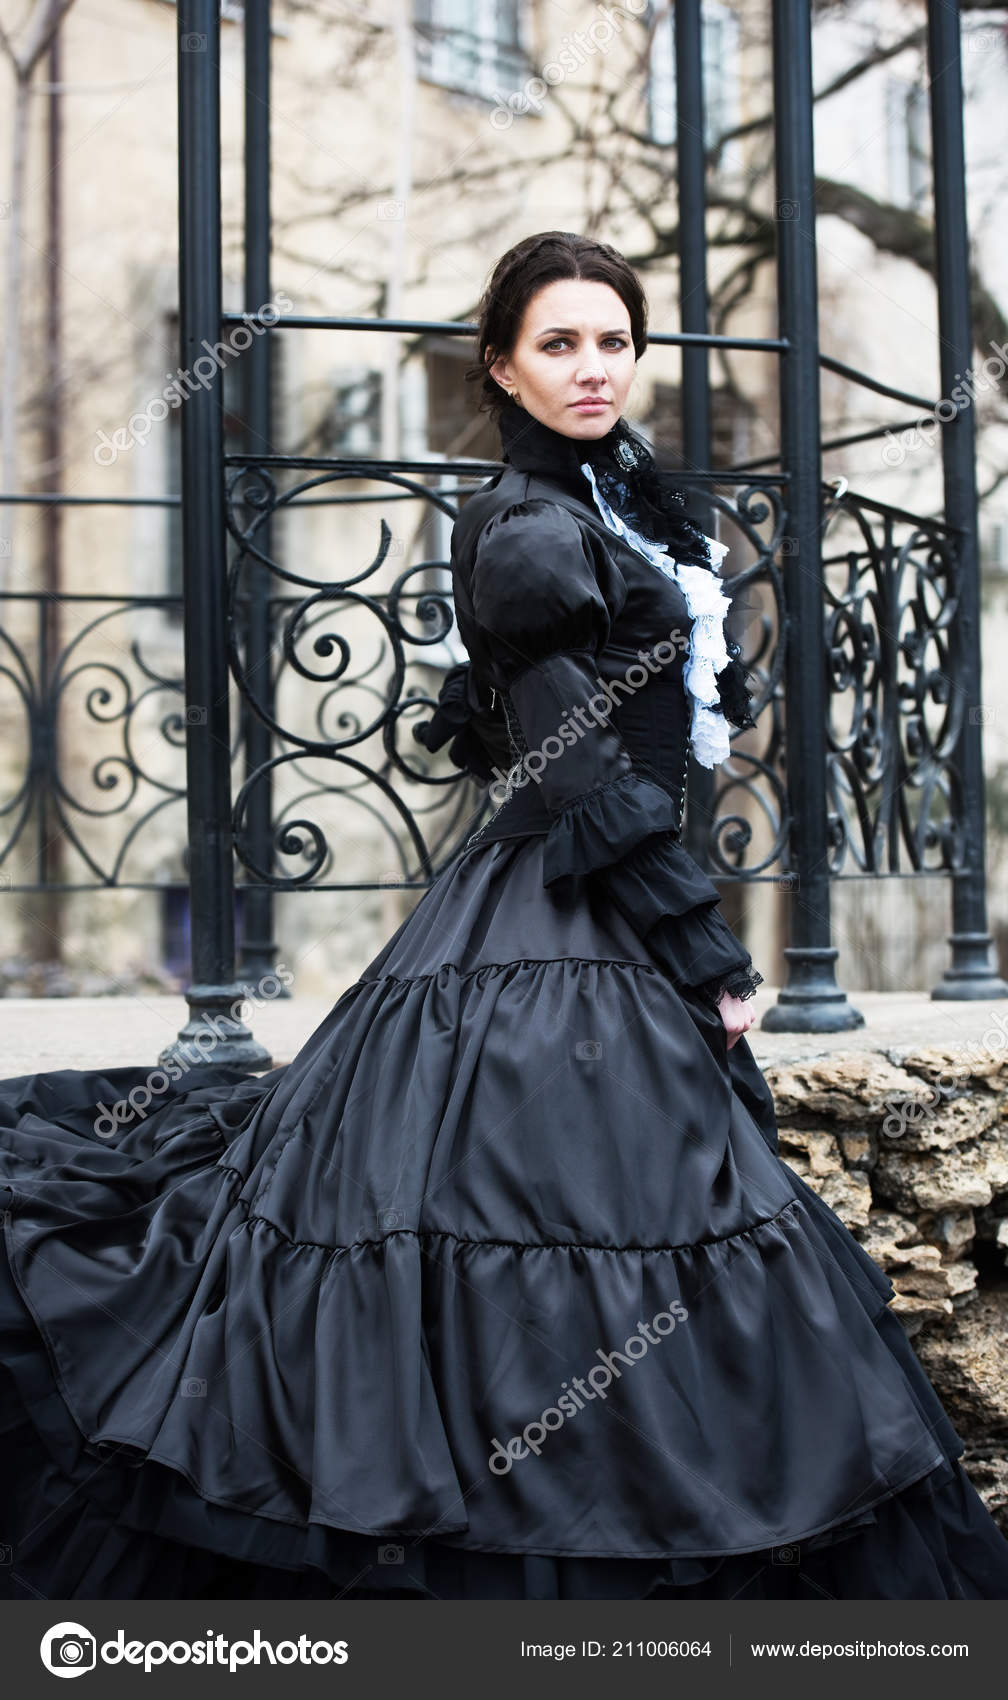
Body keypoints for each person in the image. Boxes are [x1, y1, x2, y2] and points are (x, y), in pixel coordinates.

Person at [1, 230, 1006, 1603]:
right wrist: (705, 948)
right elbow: (578, 762)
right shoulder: (528, 527)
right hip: (568, 916)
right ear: (503, 365)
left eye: (613, 342)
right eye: (559, 345)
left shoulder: (626, 501)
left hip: (597, 901)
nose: (593, 368)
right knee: (564, 1219)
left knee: (642, 1227)